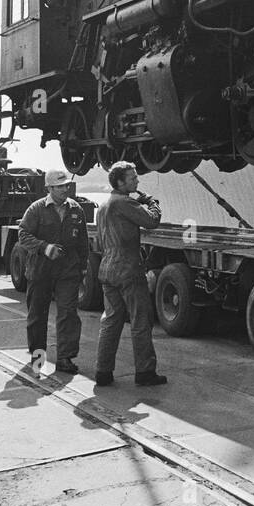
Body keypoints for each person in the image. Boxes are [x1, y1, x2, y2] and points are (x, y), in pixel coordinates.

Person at [95, 161, 166, 388]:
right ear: (119, 182)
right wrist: (152, 203)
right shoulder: (124, 202)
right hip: (128, 270)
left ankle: (103, 372)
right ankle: (145, 372)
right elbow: (151, 221)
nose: (137, 181)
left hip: (107, 269)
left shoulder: (105, 205)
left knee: (111, 321)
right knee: (140, 321)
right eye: (133, 178)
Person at [17, 169, 90, 375]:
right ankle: (38, 356)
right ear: (49, 188)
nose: (65, 189)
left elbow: (83, 242)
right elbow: (23, 234)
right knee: (37, 315)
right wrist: (44, 247)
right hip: (41, 270)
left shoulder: (76, 210)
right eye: (60, 186)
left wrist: (83, 267)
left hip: (68, 271)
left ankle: (65, 358)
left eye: (66, 185)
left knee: (68, 313)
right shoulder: (36, 209)